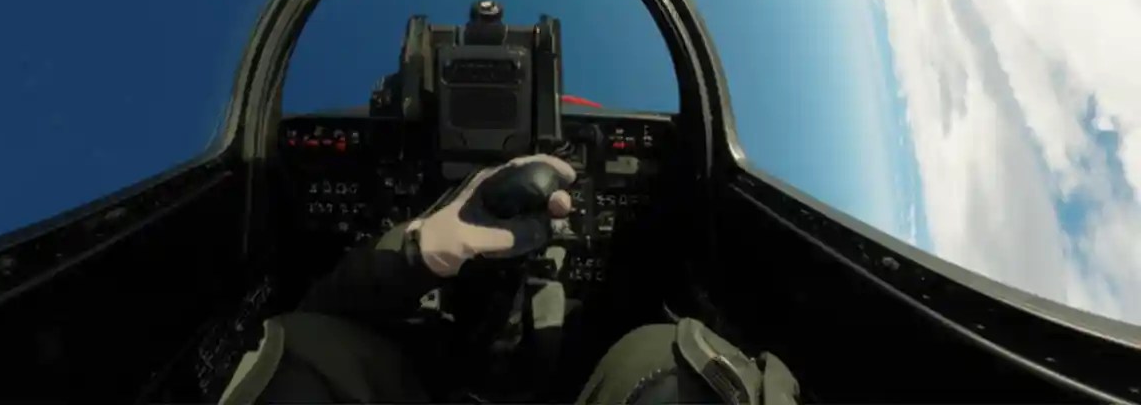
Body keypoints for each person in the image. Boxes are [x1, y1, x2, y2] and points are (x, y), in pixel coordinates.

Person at [220, 155, 799, 404]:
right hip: (427, 375)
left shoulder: (587, 332)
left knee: (681, 368)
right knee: (293, 357)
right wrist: (421, 252)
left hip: (549, 377)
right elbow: (316, 325)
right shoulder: (401, 329)